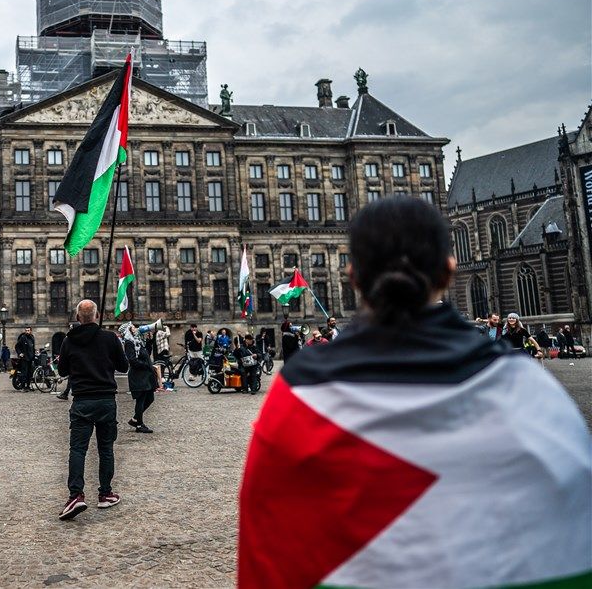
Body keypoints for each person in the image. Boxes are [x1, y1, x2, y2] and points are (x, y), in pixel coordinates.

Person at [237, 197, 592, 589]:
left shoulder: (301, 394)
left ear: (353, 276)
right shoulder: (528, 391)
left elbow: (268, 552)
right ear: (449, 270)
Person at [56, 300, 127, 520]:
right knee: (105, 449)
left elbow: (62, 371)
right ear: (96, 316)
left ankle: (76, 495)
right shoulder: (109, 338)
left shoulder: (69, 340)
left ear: (78, 318)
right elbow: (123, 366)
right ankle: (105, 494)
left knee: (78, 450)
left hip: (82, 402)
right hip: (106, 401)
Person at [121, 323, 156, 434]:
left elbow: (146, 353)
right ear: (128, 330)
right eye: (132, 327)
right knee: (141, 400)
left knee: (150, 398)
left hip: (145, 375)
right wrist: (145, 365)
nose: (135, 328)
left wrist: (149, 341)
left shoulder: (137, 341)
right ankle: (139, 425)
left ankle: (135, 419)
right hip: (138, 375)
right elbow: (132, 360)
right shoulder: (129, 343)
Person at [15, 326, 37, 392]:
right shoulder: (23, 338)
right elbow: (17, 346)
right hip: (25, 358)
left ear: (30, 331)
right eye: (26, 330)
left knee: (30, 373)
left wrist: (35, 351)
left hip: (31, 358)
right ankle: (23, 386)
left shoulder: (32, 337)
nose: (27, 332)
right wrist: (20, 353)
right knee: (24, 373)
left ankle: (28, 386)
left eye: (28, 330)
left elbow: (32, 347)